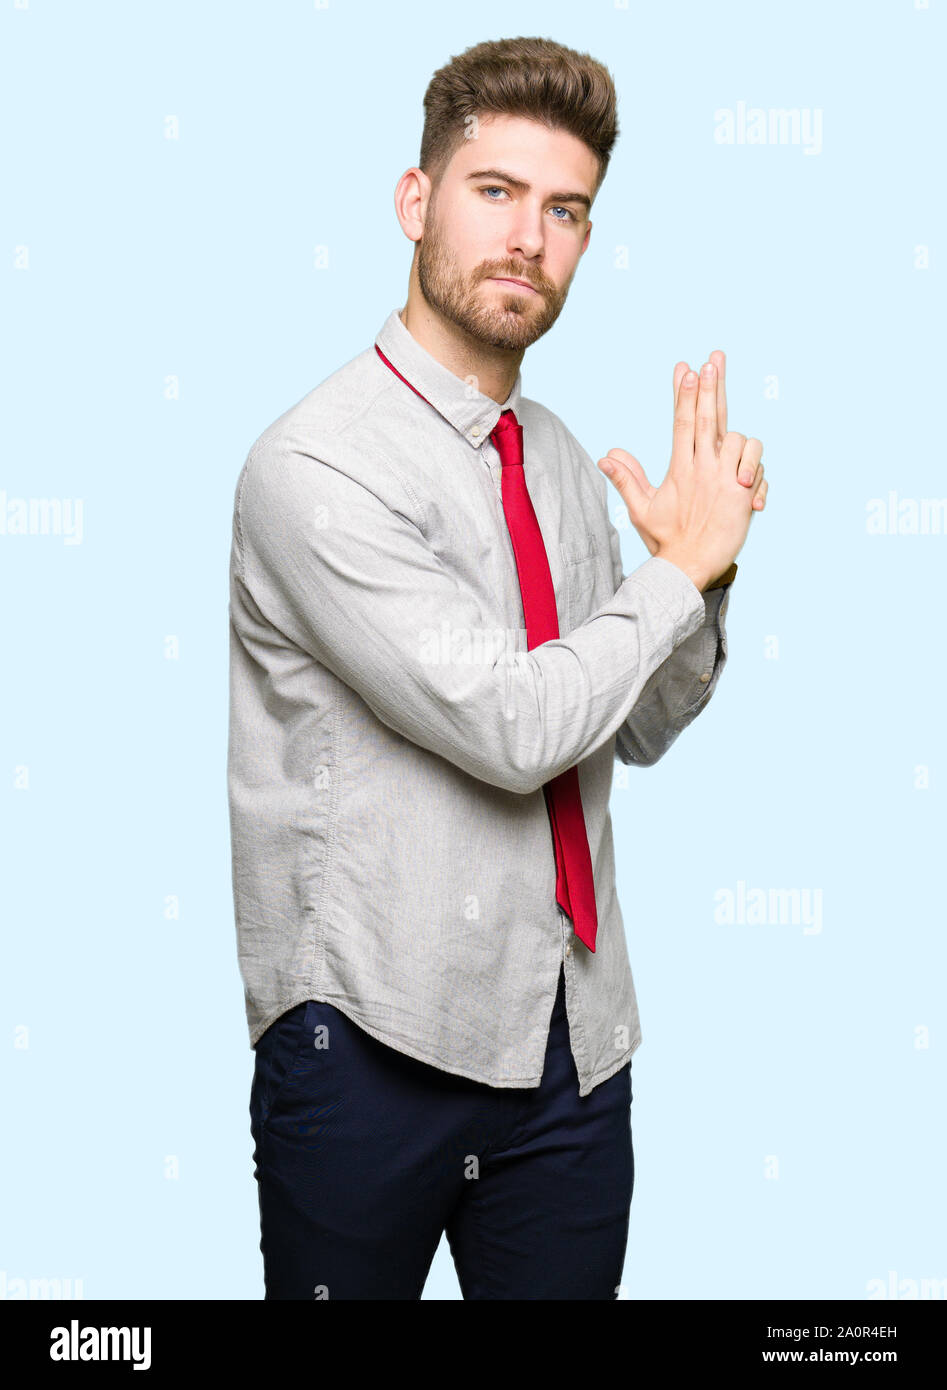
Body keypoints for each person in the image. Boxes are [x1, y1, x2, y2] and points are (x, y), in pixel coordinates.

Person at [227, 35, 767, 1301]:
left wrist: (708, 580)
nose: (528, 236)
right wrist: (675, 575)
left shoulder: (561, 460)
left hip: (573, 1043)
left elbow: (629, 729)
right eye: (494, 192)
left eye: (564, 208)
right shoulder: (314, 467)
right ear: (415, 203)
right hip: (372, 1039)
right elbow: (517, 727)